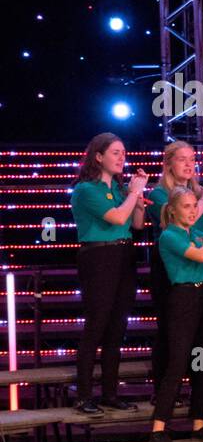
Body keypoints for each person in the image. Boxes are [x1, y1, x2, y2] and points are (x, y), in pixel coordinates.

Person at [71, 133, 149, 415]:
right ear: (99, 156)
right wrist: (133, 193)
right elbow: (116, 218)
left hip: (124, 254)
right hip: (99, 256)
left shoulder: (119, 190)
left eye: (123, 152)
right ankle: (83, 395)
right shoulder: (86, 189)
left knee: (118, 328)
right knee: (97, 325)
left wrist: (137, 196)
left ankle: (110, 393)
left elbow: (136, 223)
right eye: (115, 152)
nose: (121, 157)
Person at [143, 141, 203, 396]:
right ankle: (165, 390)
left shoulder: (199, 192)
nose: (189, 164)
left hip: (200, 264)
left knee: (201, 338)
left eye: (192, 159)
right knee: (169, 329)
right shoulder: (158, 194)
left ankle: (197, 393)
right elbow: (174, 223)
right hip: (171, 266)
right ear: (168, 164)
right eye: (182, 159)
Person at [149, 189, 203, 442]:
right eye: (187, 206)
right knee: (179, 360)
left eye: (195, 206)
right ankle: (159, 425)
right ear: (173, 210)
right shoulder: (170, 236)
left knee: (201, 360)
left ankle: (199, 421)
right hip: (182, 298)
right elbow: (202, 255)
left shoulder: (200, 233)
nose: (193, 211)